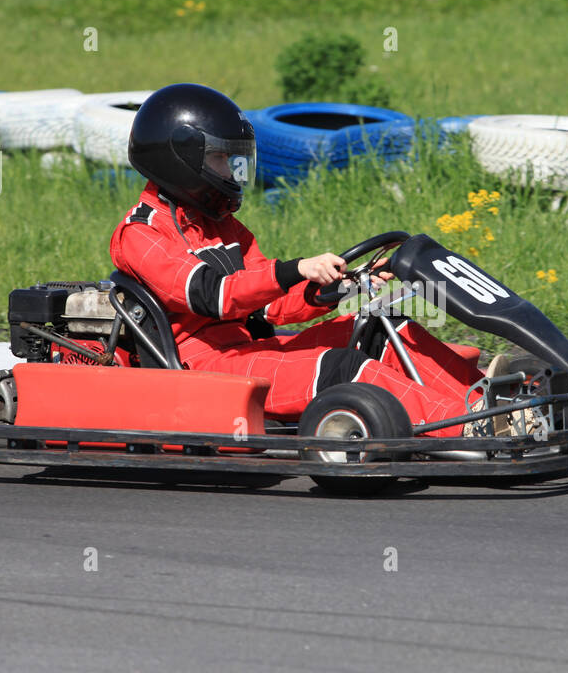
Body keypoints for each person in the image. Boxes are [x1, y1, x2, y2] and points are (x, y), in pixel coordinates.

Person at [110, 83, 510, 437]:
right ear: (180, 158)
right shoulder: (141, 233)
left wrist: (346, 285)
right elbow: (208, 294)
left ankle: (486, 401)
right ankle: (467, 425)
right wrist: (294, 268)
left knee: (378, 328)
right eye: (220, 159)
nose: (231, 172)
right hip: (206, 370)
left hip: (250, 348)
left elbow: (273, 305)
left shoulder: (225, 227)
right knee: (342, 368)